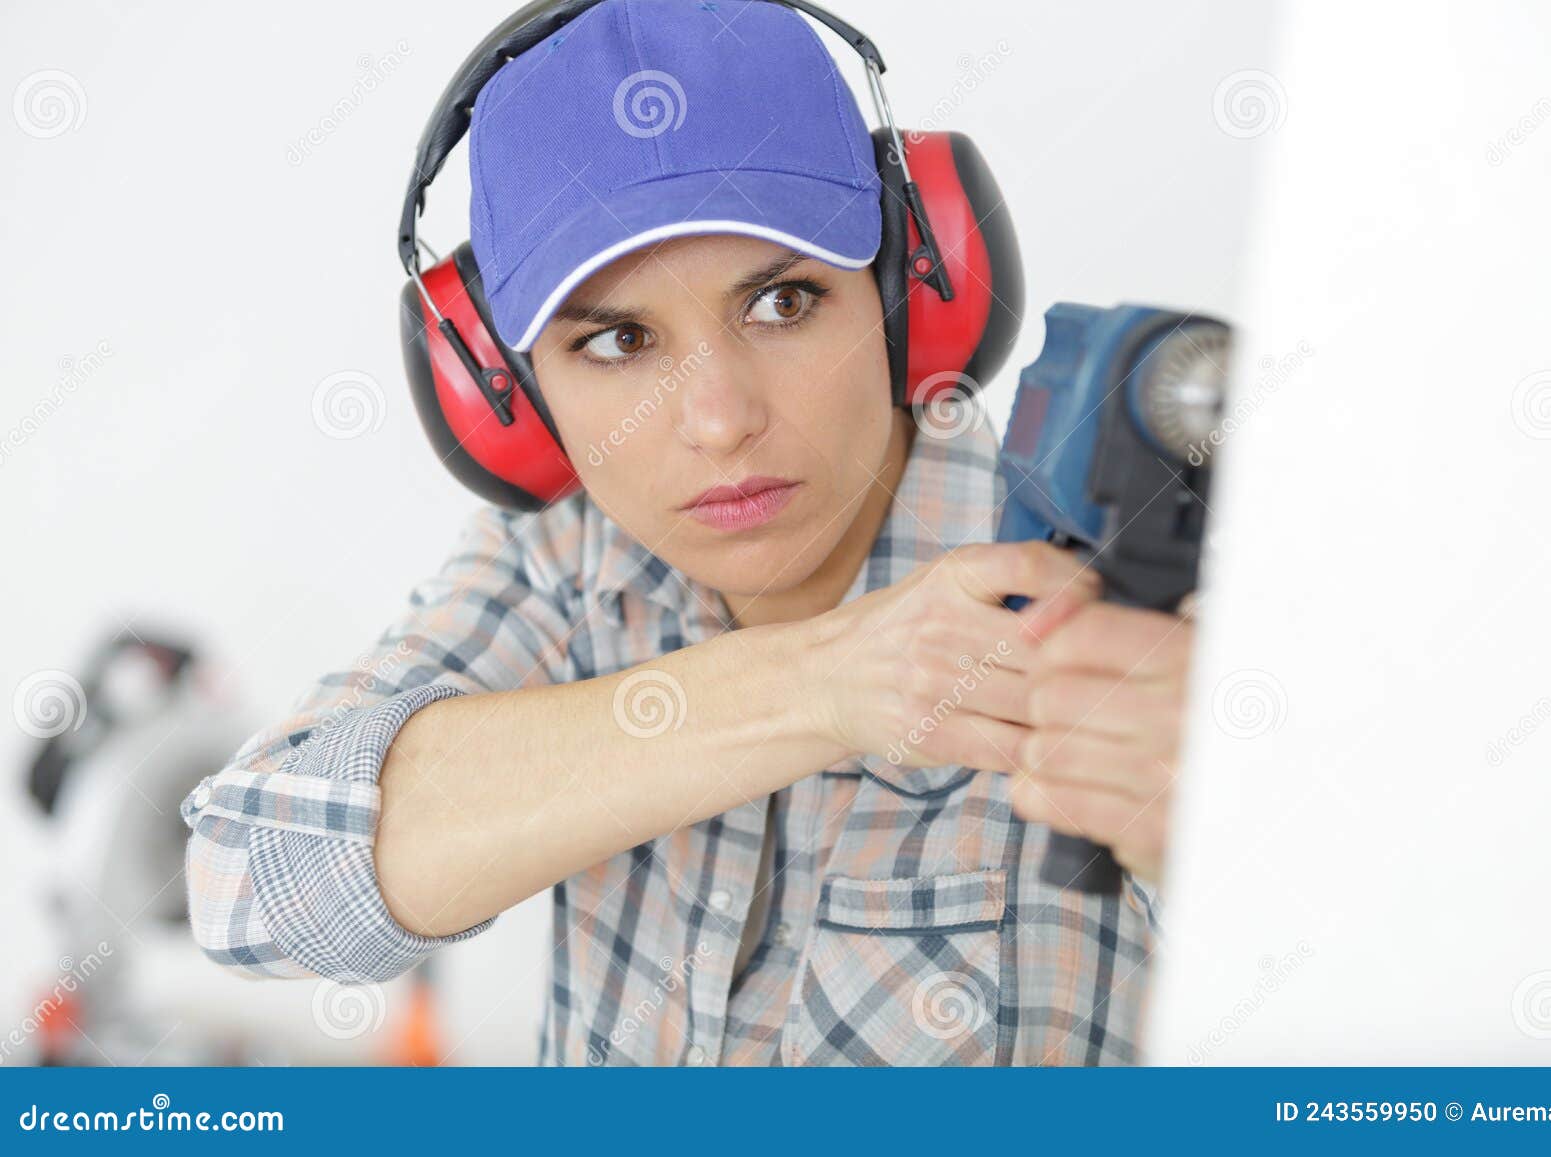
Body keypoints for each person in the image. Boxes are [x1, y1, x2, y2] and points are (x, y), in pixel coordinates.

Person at [181, 0, 1193, 1066]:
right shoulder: (567, 559)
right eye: (620, 340)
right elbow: (246, 884)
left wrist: (1203, 818)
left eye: (782, 302)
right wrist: (819, 681)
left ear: (909, 285)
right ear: (509, 396)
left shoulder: (1113, 587)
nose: (718, 420)